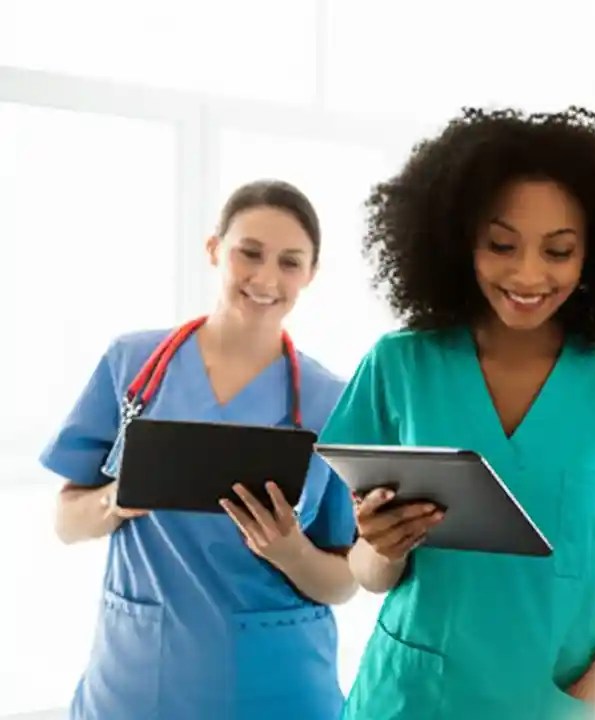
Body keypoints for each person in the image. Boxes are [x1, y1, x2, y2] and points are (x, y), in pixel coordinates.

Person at [320, 107, 595, 719]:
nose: (528, 274)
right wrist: (382, 548)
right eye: (501, 245)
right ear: (461, 241)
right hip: (409, 697)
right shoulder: (400, 366)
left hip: (553, 699)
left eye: (558, 251)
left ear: (593, 257)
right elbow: (366, 571)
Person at [42, 180, 358, 720]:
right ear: (214, 250)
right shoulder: (133, 364)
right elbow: (67, 523)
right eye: (249, 253)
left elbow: (343, 580)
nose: (265, 278)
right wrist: (116, 501)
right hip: (141, 675)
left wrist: (288, 551)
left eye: (290, 262)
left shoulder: (333, 401)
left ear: (310, 274)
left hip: (277, 680)